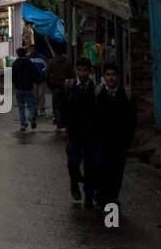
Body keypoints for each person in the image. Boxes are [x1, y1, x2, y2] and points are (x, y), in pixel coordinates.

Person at [92, 62, 137, 210]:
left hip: (119, 141)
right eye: (108, 75)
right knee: (100, 167)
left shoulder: (126, 95)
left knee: (116, 170)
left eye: (113, 75)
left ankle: (112, 198)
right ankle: (100, 196)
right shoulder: (98, 94)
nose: (111, 78)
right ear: (104, 77)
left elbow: (132, 120)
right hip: (100, 139)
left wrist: (127, 141)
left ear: (118, 76)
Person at [65, 57, 98, 207]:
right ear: (76, 71)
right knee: (73, 161)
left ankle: (89, 195)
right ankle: (74, 182)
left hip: (91, 132)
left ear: (89, 72)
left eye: (85, 70)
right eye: (80, 70)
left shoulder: (96, 89)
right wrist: (63, 127)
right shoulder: (70, 86)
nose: (82, 73)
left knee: (90, 165)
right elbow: (63, 107)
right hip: (73, 131)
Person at [11, 46, 40, 131]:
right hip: (29, 87)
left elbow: (12, 76)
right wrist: (33, 80)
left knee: (21, 106)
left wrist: (15, 82)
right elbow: (35, 74)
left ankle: (23, 124)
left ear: (18, 54)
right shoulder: (29, 62)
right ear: (25, 53)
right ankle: (31, 115)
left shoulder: (15, 63)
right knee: (31, 103)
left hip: (19, 87)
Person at [46, 47, 74, 128]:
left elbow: (47, 75)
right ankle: (64, 122)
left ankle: (59, 122)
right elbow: (72, 75)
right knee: (65, 105)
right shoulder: (68, 62)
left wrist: (50, 85)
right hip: (66, 87)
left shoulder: (51, 62)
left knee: (57, 106)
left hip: (55, 86)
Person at [28, 41, 48, 116]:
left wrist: (41, 73)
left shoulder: (42, 58)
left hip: (41, 80)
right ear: (29, 50)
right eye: (31, 49)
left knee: (41, 94)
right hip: (32, 80)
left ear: (36, 50)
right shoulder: (28, 58)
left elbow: (46, 67)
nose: (33, 51)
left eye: (34, 49)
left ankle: (42, 109)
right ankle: (35, 109)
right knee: (34, 95)